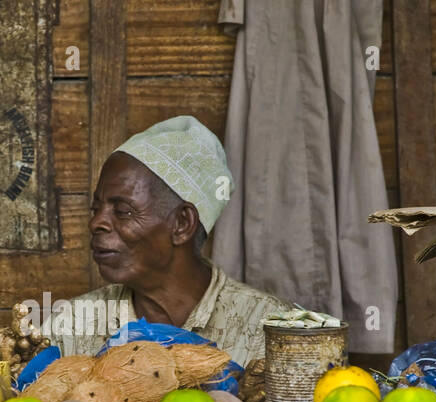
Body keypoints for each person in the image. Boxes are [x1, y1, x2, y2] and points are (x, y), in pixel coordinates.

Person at [55, 115, 293, 366]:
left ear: (182, 223)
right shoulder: (69, 327)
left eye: (123, 211)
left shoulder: (269, 332)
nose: (96, 223)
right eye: (96, 209)